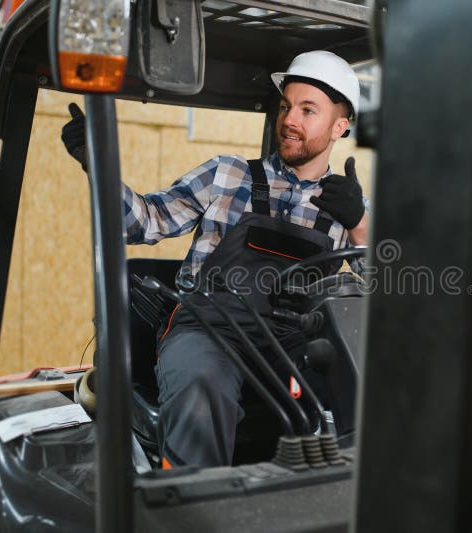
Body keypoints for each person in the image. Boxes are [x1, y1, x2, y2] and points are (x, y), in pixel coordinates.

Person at [61, 50, 368, 468]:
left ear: (339, 126)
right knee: (202, 383)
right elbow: (144, 223)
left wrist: (360, 224)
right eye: (285, 106)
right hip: (209, 330)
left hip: (291, 342)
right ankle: (196, 508)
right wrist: (96, 162)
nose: (290, 119)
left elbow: (388, 286)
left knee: (360, 389)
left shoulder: (349, 205)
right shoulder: (227, 175)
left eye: (307, 110)